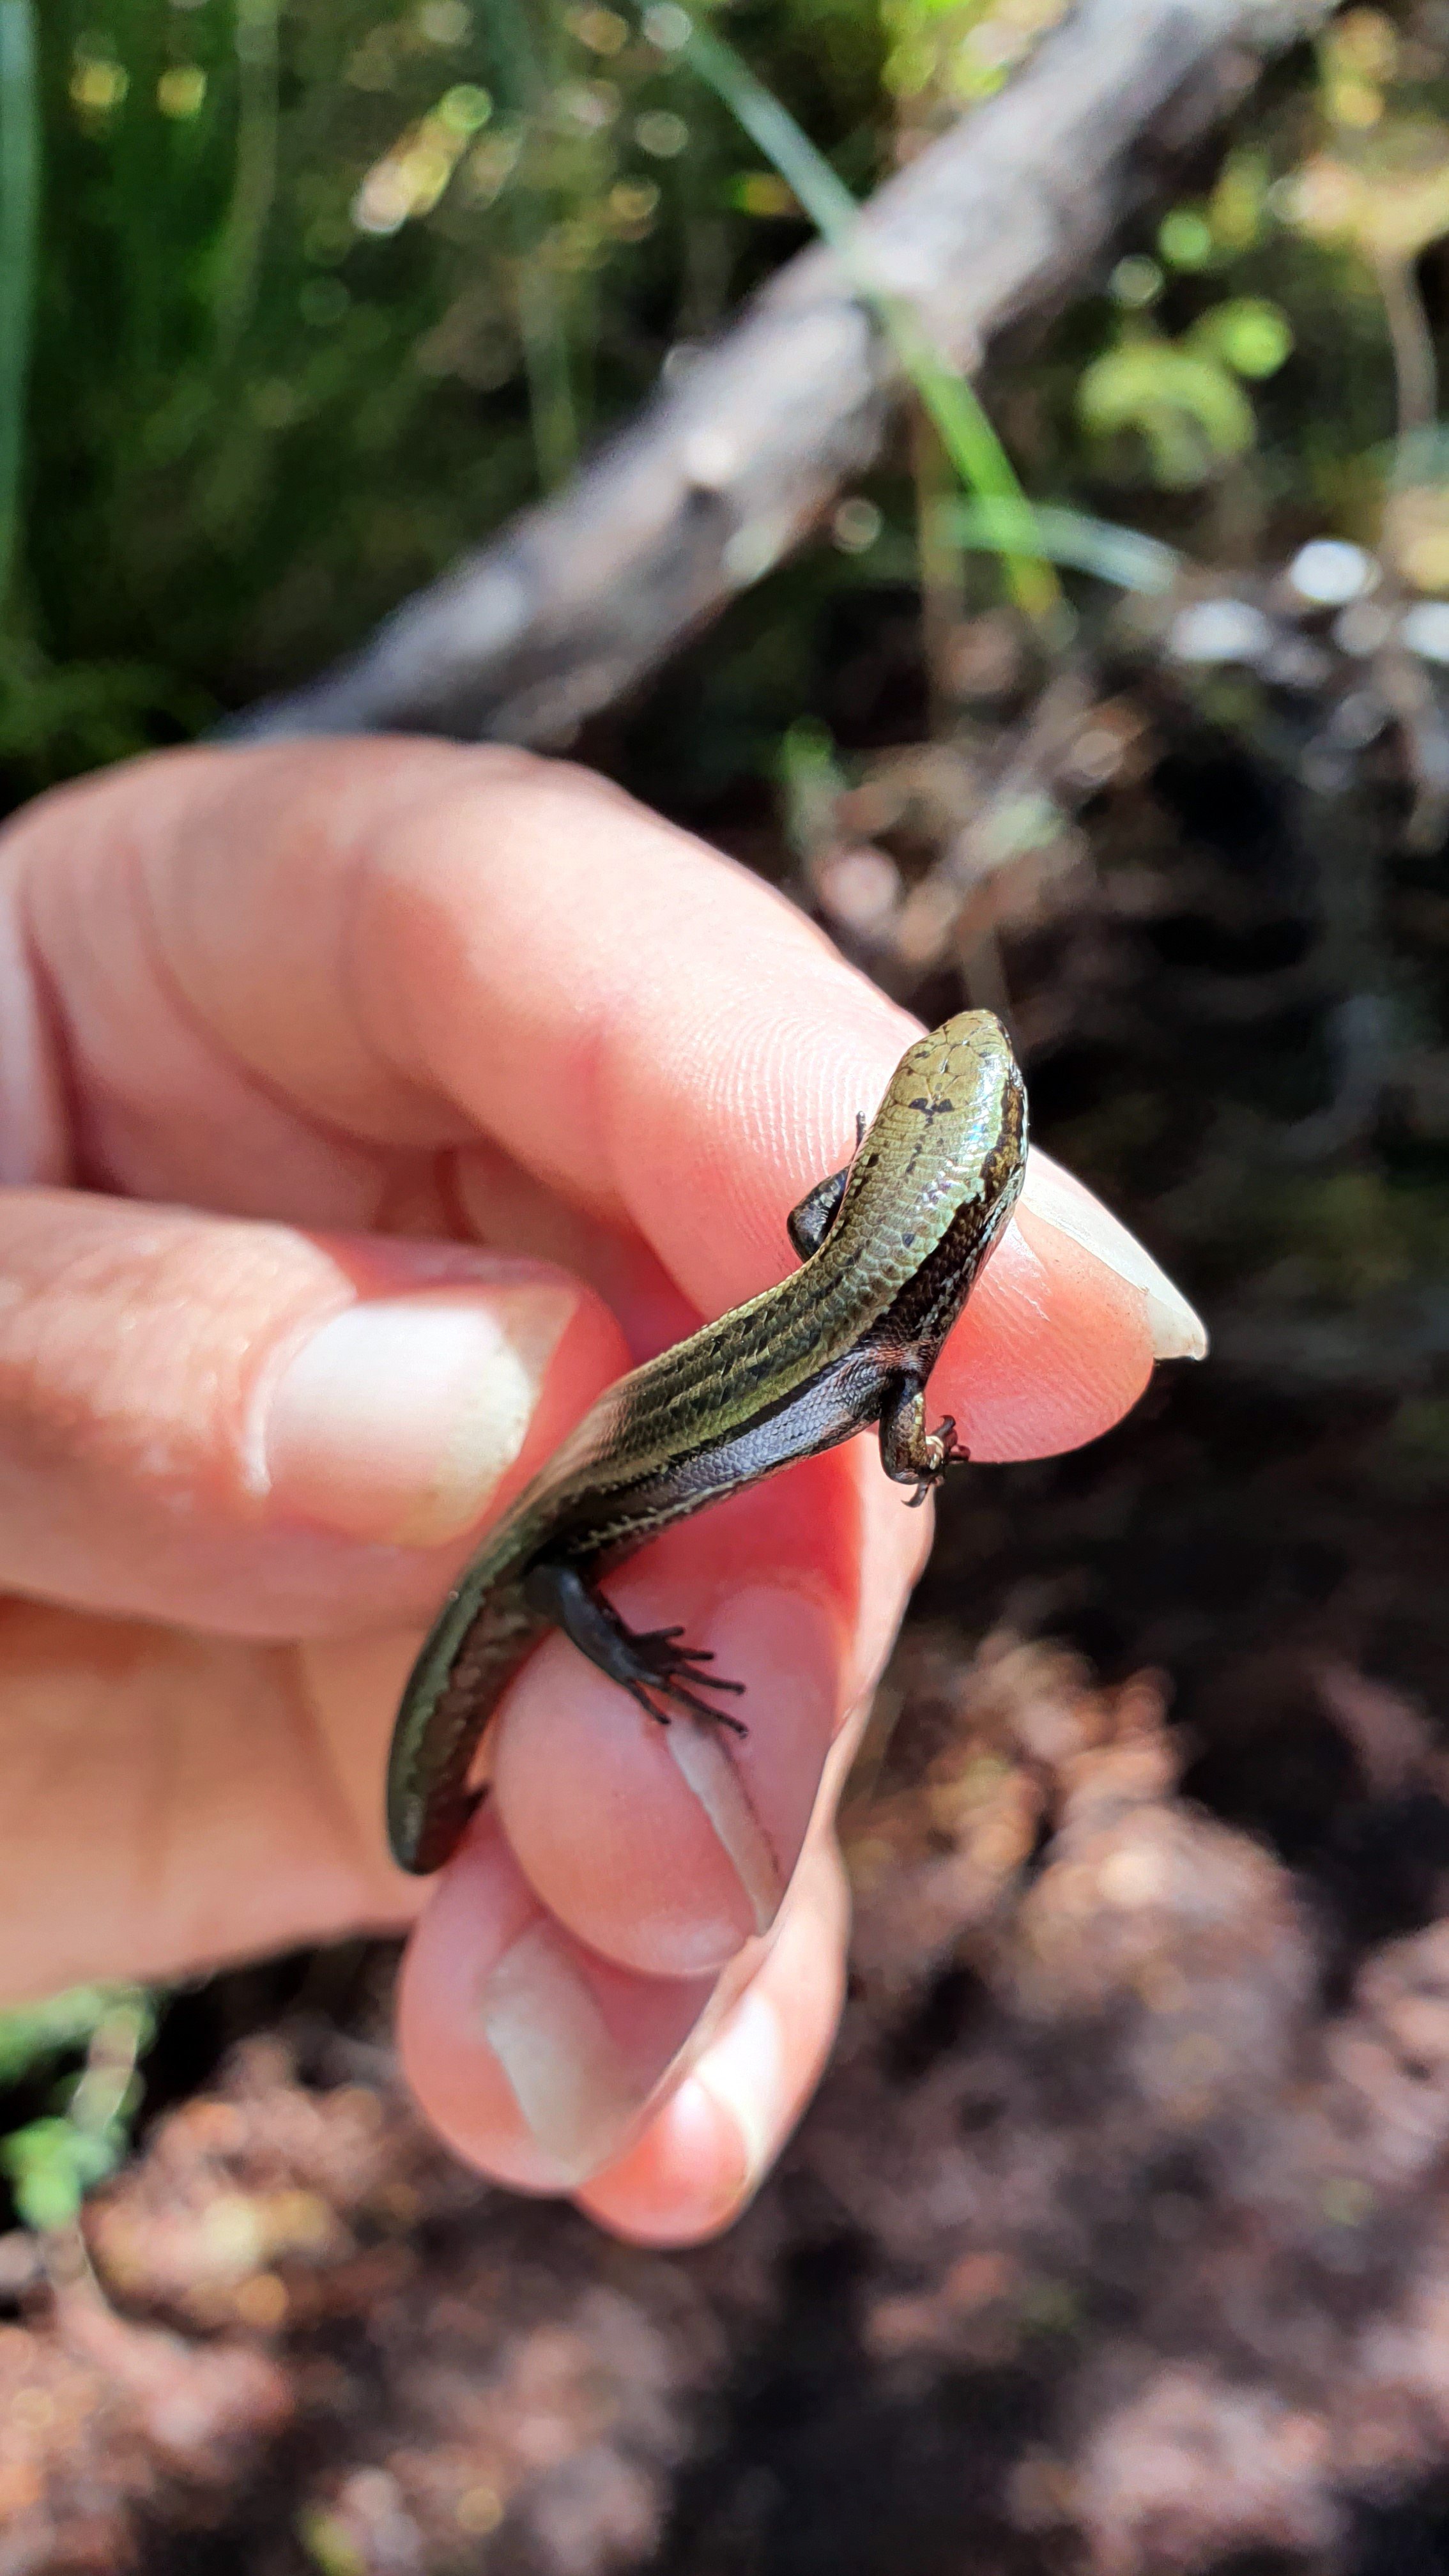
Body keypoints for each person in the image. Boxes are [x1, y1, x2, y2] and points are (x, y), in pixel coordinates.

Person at [0, 736, 1202, 2244]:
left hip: (611, 1473)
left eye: (990, 1115)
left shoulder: (870, 1297)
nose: (993, 1096)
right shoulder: (896, 1340)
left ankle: (616, 1667)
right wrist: (663, 1632)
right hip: (559, 1540)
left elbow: (821, 1215)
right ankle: (622, 1664)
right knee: (589, 1636)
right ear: (975, 1204)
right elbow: (900, 1447)